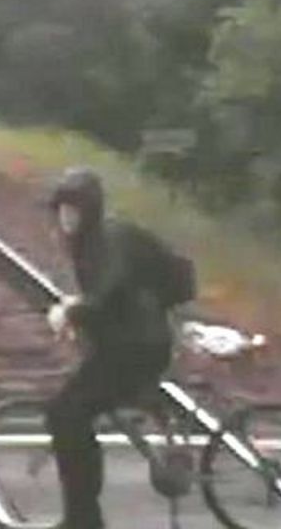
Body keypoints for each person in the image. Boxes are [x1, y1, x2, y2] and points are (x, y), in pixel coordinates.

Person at [44, 167, 177, 529]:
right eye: (61, 210)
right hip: (126, 346)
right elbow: (109, 301)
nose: (66, 217)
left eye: (73, 210)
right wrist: (80, 316)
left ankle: (84, 518)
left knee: (66, 414)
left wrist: (73, 309)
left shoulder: (108, 240)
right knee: (69, 411)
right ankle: (82, 515)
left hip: (136, 349)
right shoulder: (92, 242)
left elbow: (111, 291)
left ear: (90, 211)